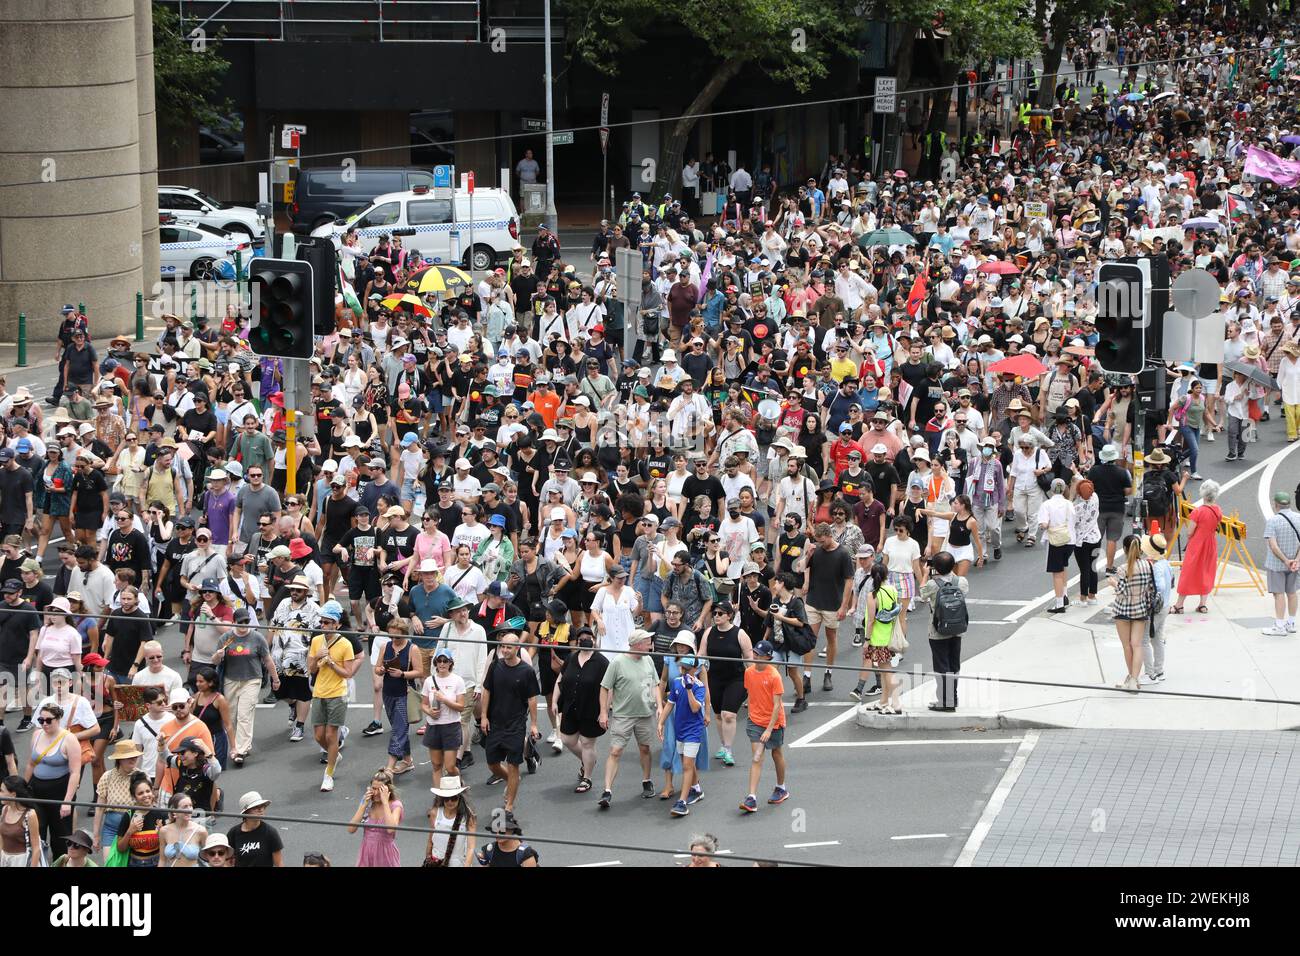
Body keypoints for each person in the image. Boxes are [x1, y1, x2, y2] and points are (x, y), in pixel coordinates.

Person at [597, 628, 661, 807]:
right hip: (623, 715)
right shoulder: (617, 662)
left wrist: (659, 706)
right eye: (648, 642)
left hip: (645, 714)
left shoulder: (648, 660)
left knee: (645, 748)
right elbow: (604, 687)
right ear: (637, 645)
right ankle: (607, 790)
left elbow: (656, 684)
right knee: (615, 751)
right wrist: (603, 712)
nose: (650, 645)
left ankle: (646, 780)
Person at [480, 628, 541, 813]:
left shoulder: (527, 671)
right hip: (495, 722)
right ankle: (513, 781)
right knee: (492, 763)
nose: (505, 650)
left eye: (509, 647)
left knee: (514, 765)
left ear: (517, 648)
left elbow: (532, 699)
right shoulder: (495, 666)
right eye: (503, 646)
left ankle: (509, 805)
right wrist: (483, 716)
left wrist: (533, 724)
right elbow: (487, 691)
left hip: (516, 725)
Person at [211, 608, 277, 767]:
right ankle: (235, 745)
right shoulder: (226, 638)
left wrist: (275, 679)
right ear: (234, 622)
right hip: (230, 680)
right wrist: (218, 655)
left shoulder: (257, 638)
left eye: (246, 622)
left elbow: (267, 660)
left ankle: (240, 750)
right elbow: (214, 662)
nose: (244, 625)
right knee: (231, 715)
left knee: (244, 714)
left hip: (252, 680)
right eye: (240, 622)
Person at [801, 521, 854, 693]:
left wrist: (844, 606)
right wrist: (808, 555)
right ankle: (807, 676)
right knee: (810, 639)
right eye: (818, 541)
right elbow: (799, 568)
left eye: (822, 541)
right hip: (813, 601)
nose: (820, 544)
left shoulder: (843, 553)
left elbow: (849, 581)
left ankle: (828, 673)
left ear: (830, 536)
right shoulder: (815, 550)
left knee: (831, 638)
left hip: (833, 604)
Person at [24, 700, 81, 859]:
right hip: (36, 788)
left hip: (59, 790)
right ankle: (39, 861)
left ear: (58, 719)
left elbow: (75, 772)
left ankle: (60, 861)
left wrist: (67, 802)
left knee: (60, 835)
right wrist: (22, 788)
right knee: (37, 830)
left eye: (49, 720)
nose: (44, 724)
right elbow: (30, 764)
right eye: (41, 720)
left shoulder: (69, 739)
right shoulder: (36, 734)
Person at [698, 601, 752, 767]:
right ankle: (723, 745)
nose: (716, 616)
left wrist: (755, 680)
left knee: (729, 714)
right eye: (714, 613)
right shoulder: (709, 632)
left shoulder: (740, 634)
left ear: (729, 615)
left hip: (735, 679)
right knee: (718, 715)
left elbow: (749, 659)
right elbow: (701, 654)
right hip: (714, 678)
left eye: (720, 613)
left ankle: (728, 749)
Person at [308, 599, 354, 792]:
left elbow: (348, 673)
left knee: (330, 734)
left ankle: (328, 774)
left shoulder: (345, 644)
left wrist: (331, 663)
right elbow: (310, 669)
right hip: (319, 692)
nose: (323, 626)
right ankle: (334, 755)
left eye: (327, 622)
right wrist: (318, 657)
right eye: (322, 622)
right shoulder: (316, 641)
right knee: (318, 736)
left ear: (337, 624)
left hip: (338, 693)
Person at [739, 641, 788, 814]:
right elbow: (751, 694)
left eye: (759, 655)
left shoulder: (774, 676)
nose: (756, 657)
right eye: (754, 653)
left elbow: (777, 706)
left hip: (774, 722)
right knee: (757, 757)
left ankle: (781, 787)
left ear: (768, 657)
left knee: (776, 753)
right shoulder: (749, 672)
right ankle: (751, 797)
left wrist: (768, 729)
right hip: (755, 721)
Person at [658, 646, 708, 817]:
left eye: (687, 669)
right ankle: (697, 789)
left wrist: (688, 690)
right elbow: (670, 704)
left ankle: (682, 802)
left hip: (693, 732)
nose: (683, 671)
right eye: (681, 667)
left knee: (687, 765)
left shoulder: (699, 687)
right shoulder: (676, 682)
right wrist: (661, 722)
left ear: (695, 669)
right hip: (680, 731)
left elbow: (695, 709)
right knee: (688, 763)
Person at [916, 551, 968, 711]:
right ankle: (953, 698)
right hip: (957, 629)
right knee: (954, 664)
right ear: (953, 566)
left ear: (935, 568)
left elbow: (922, 595)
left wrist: (925, 574)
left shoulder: (933, 584)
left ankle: (945, 702)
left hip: (937, 630)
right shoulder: (962, 582)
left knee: (941, 666)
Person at [376, 619, 423, 776]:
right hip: (388, 693)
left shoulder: (412, 649)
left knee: (398, 730)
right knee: (399, 728)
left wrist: (402, 674)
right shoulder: (385, 646)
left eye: (397, 636)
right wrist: (381, 670)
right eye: (391, 636)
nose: (394, 639)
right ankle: (407, 761)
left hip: (405, 694)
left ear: (404, 634)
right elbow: (376, 668)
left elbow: (419, 671)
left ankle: (389, 767)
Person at [1110, 536, 1156, 692]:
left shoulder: (1123, 569)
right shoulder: (1147, 566)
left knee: (1127, 646)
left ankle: (1130, 676)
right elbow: (1151, 588)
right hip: (1140, 609)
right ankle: (1135, 679)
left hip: (1123, 610)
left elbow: (1122, 593)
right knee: (1137, 645)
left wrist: (1113, 583)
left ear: (1124, 549)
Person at [1173, 480, 1222, 615]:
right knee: (1206, 572)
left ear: (1203, 494)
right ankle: (1202, 604)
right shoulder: (1217, 510)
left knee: (1188, 572)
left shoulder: (1198, 512)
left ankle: (1179, 605)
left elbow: (1190, 531)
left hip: (1197, 544)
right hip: (1210, 544)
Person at [1087, 443, 1132, 573]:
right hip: (1117, 508)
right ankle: (1109, 567)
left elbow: (1089, 487)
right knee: (1112, 539)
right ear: (1114, 458)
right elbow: (1128, 491)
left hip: (1099, 508)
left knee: (1096, 538)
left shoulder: (1094, 471)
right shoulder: (1122, 472)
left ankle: (1091, 566)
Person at [1262, 491, 1300, 636]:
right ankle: (1290, 623)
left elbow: (1273, 545)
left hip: (1277, 565)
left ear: (1276, 504)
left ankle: (1279, 626)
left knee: (1279, 594)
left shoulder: (1273, 521)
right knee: (1292, 593)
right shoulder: (1299, 518)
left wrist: (1285, 560)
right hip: (1295, 565)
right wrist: (1296, 560)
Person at [348, 769, 403, 868]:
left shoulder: (395, 805)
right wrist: (363, 805)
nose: (376, 793)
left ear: (388, 789)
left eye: (380, 789)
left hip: (385, 854)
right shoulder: (367, 802)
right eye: (374, 788)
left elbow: (391, 829)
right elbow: (351, 829)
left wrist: (385, 802)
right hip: (366, 852)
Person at [1038, 478, 1075, 614]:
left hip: (1055, 541)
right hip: (1070, 540)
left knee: (1057, 572)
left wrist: (1043, 526)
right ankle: (1064, 595)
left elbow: (1044, 523)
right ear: (1064, 488)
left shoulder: (1047, 504)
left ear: (1052, 489)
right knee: (1064, 566)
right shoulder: (1069, 504)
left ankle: (1059, 603)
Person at [1142, 534, 1173, 684]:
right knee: (1157, 638)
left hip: (1156, 609)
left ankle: (1150, 674)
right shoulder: (1165, 563)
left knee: (1144, 640)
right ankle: (1159, 670)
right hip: (1166, 605)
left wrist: (1151, 593)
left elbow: (1160, 586)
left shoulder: (1156, 567)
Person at [425, 775, 476, 867]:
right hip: (436, 861)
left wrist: (467, 865)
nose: (450, 802)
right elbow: (430, 840)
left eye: (454, 798)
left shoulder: (468, 816)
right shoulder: (434, 813)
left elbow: (470, 847)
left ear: (460, 797)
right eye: (446, 798)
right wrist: (428, 858)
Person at [227, 790, 283, 866]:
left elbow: (279, 863)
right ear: (246, 812)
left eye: (262, 806)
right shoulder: (233, 833)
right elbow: (227, 860)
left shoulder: (270, 832)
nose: (260, 809)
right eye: (256, 807)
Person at [0, 775, 42, 867]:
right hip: (4, 859)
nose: (0, 794)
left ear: (13, 794)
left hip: (21, 862)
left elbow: (36, 849)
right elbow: (1, 838)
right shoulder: (5, 809)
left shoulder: (30, 815)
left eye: (2, 791)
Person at [1072, 479, 1101, 605]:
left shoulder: (1076, 508)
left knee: (1084, 569)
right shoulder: (1095, 498)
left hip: (1081, 541)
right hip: (1096, 538)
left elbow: (1073, 523)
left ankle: (1083, 598)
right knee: (1093, 567)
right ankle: (1092, 596)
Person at [159, 793, 207, 868]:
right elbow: (162, 860)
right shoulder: (164, 831)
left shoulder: (201, 831)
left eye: (190, 806)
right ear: (174, 811)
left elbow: (208, 858)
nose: (189, 809)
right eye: (185, 807)